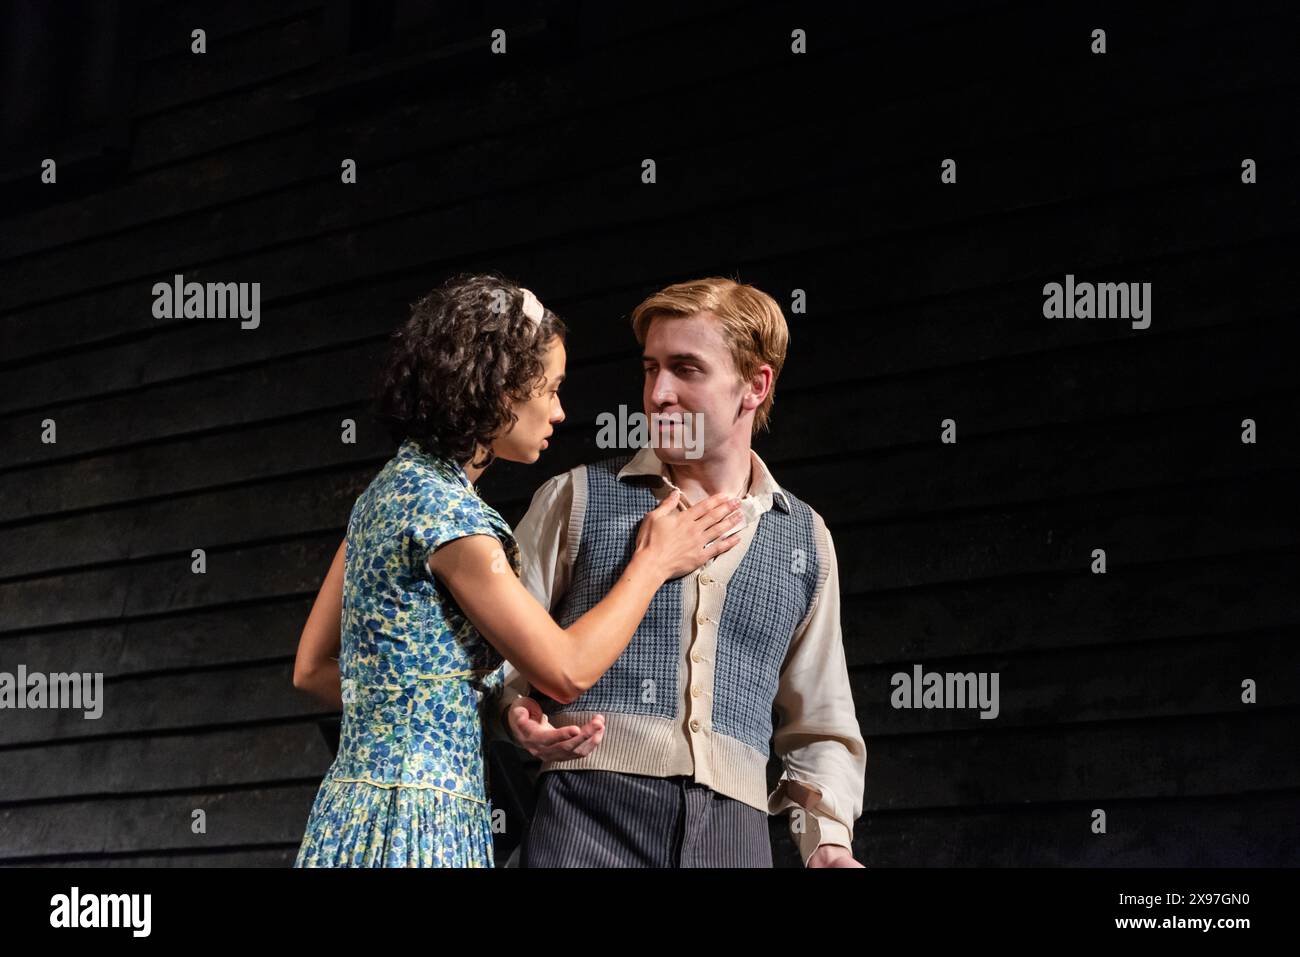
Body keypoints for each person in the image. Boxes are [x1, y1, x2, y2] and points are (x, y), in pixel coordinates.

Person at [290, 273, 744, 867]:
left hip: (350, 811)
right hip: (422, 820)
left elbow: (310, 671)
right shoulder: (454, 520)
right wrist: (654, 562)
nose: (558, 410)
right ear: (501, 387)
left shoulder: (386, 492)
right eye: (550, 388)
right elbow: (565, 670)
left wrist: (464, 714)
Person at [489, 276, 867, 867]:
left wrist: (828, 841)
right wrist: (518, 712)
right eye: (650, 369)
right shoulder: (576, 498)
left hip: (735, 835)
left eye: (686, 369)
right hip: (585, 814)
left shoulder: (806, 537)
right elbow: (494, 656)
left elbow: (819, 722)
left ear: (755, 385)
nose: (659, 393)